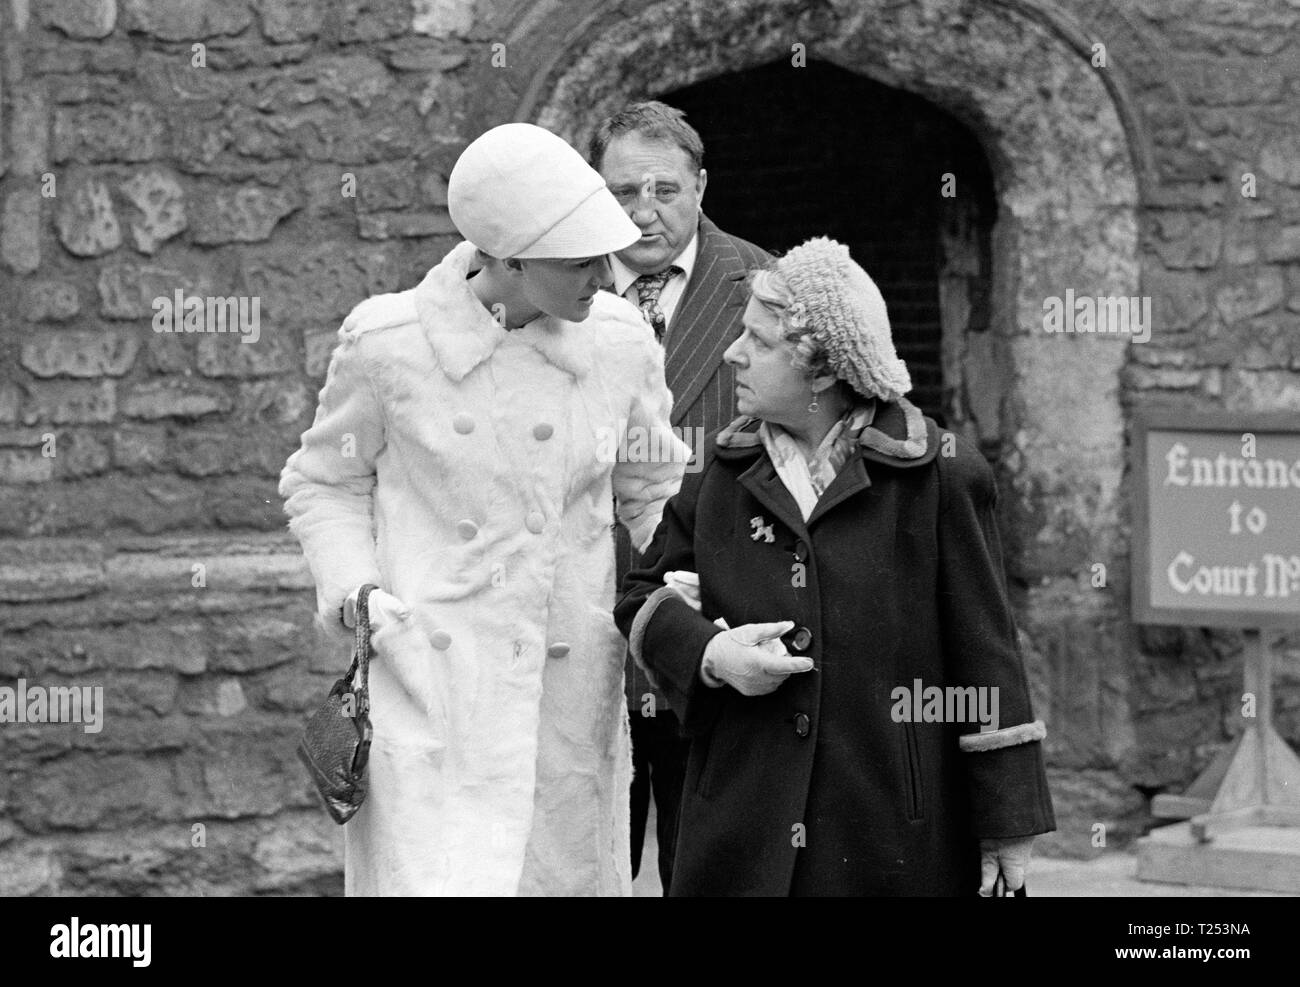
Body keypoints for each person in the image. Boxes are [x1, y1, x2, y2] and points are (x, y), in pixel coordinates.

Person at [280, 123, 688, 896]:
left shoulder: (619, 341)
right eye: (577, 261)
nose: (603, 275)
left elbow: (656, 491)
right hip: (430, 684)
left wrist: (697, 597)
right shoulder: (389, 343)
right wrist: (358, 592)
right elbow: (323, 481)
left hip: (564, 694)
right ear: (506, 258)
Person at [614, 237, 1055, 896]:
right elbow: (642, 599)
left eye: (758, 343)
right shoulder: (721, 478)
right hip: (740, 832)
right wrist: (712, 654)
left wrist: (1007, 819)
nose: (733, 353)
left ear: (820, 369)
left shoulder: (940, 479)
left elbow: (986, 654)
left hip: (891, 839)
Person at [589, 100, 770, 891]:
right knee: (586, 864)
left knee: (708, 869)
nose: (643, 210)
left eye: (665, 189)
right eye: (623, 190)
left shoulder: (765, 287)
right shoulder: (557, 287)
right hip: (584, 623)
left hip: (710, 628)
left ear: (702, 185)